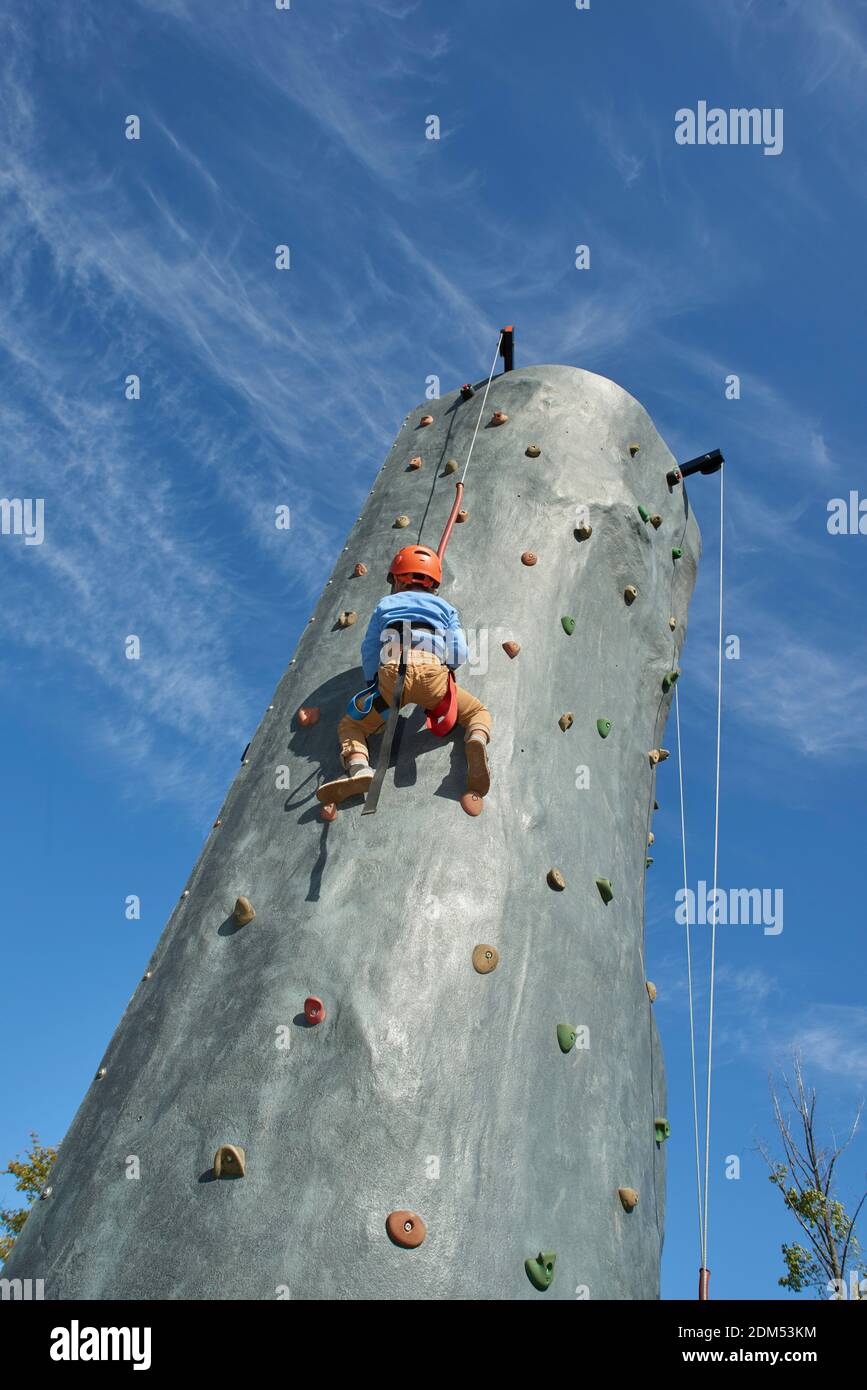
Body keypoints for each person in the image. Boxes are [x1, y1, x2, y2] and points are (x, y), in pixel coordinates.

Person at [316, 544, 491, 805]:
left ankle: (359, 767)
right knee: (477, 712)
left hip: (392, 673)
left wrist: (373, 681)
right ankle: (476, 739)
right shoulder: (445, 608)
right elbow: (460, 651)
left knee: (352, 725)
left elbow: (370, 647)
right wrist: (448, 669)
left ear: (397, 579)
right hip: (433, 672)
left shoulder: (385, 604)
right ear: (433, 584)